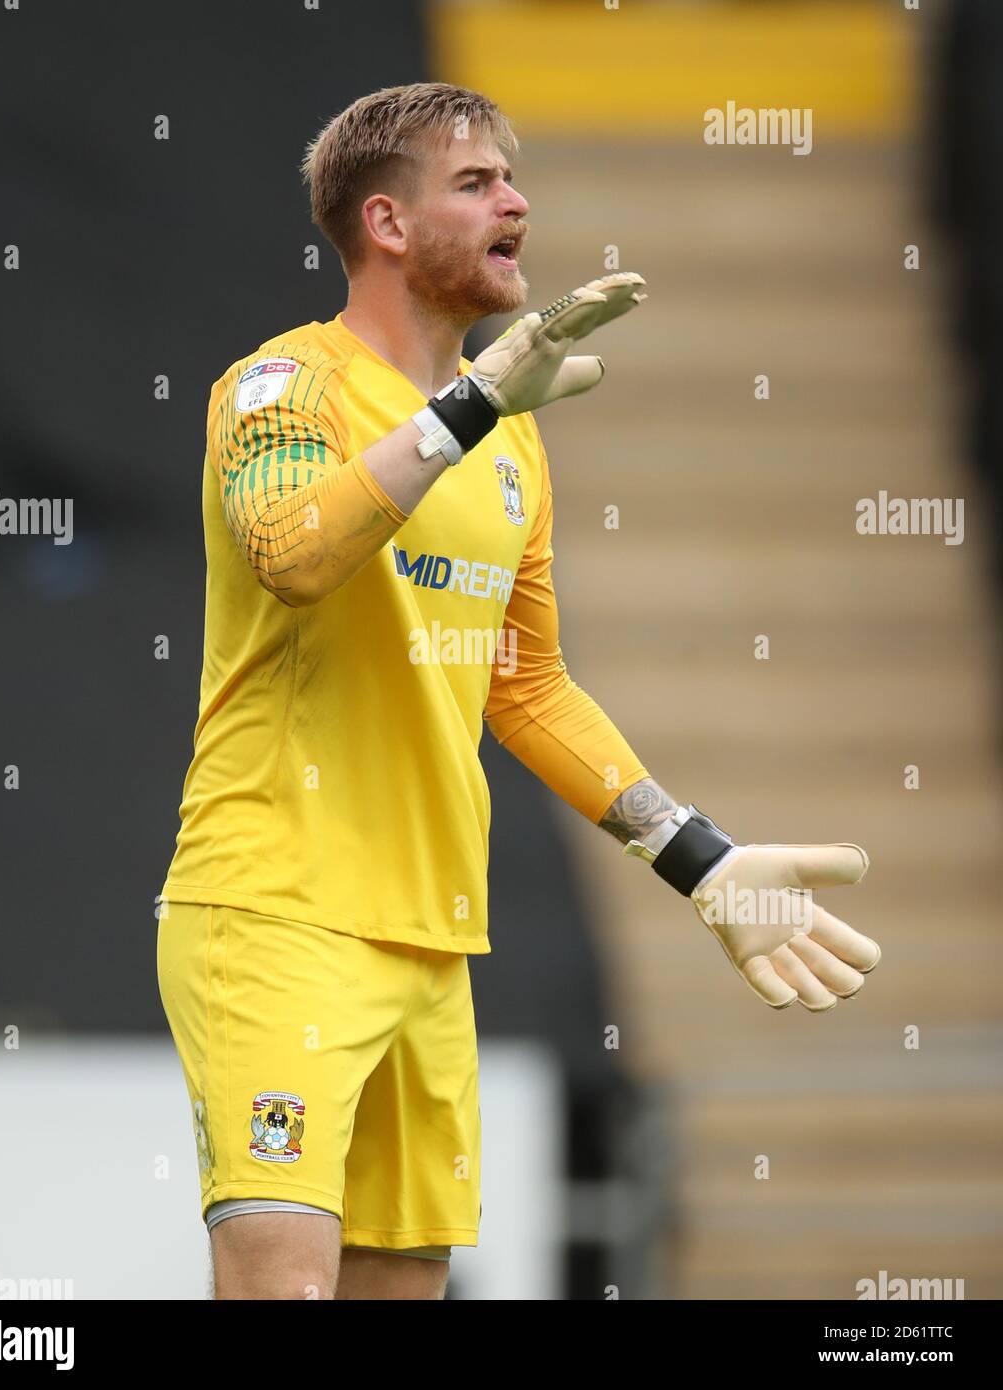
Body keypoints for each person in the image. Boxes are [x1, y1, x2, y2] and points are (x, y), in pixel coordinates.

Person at [157, 81, 881, 1301]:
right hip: (274, 913)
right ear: (387, 223)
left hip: (432, 940)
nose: (518, 202)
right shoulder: (283, 388)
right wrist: (474, 404)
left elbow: (527, 686)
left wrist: (697, 856)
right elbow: (288, 555)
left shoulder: (513, 443)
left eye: (515, 178)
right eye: (478, 182)